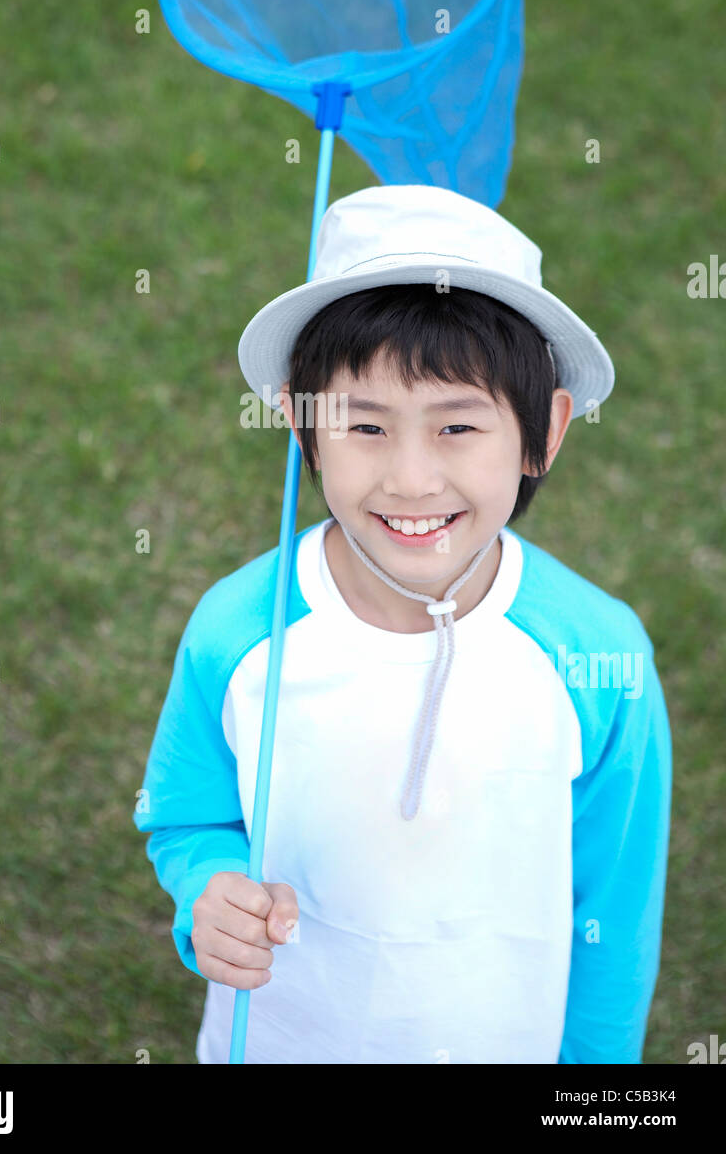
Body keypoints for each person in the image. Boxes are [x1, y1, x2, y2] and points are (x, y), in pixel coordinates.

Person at [133, 184, 671, 1064]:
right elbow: (187, 817)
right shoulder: (239, 632)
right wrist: (209, 888)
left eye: (458, 424)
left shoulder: (600, 657)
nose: (412, 478)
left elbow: (616, 914)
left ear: (545, 432)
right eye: (364, 425)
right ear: (301, 423)